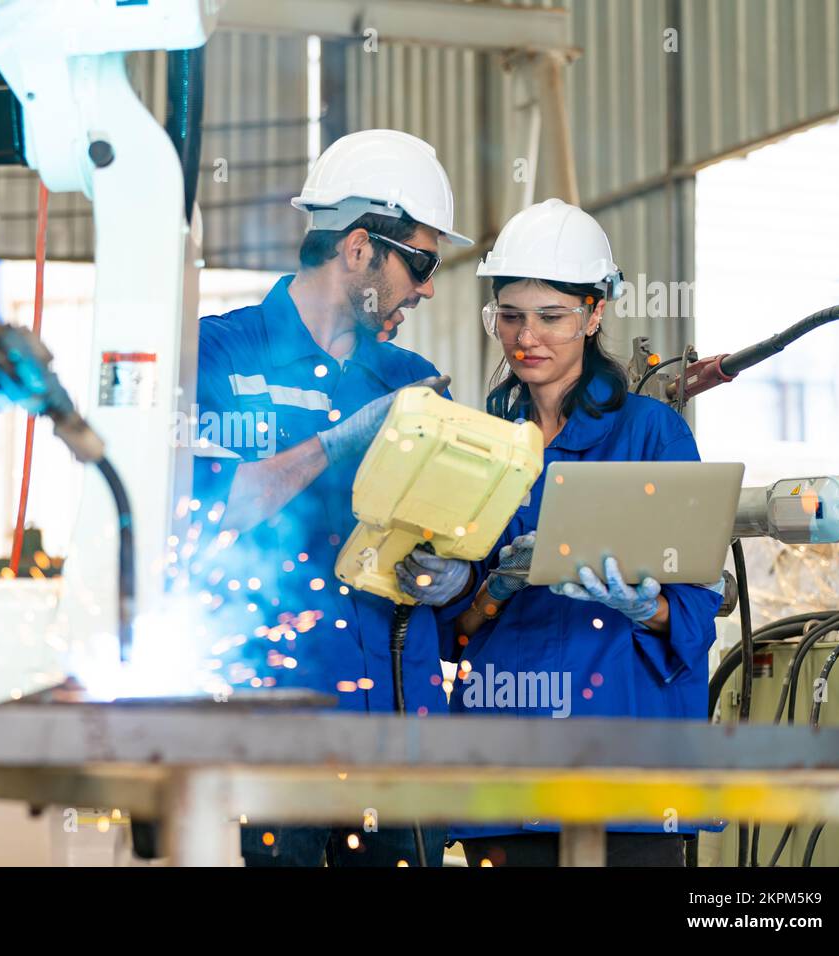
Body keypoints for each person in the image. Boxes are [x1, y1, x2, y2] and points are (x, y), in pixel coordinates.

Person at [396, 198, 723, 867]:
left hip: (627, 769)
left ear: (595, 313)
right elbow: (456, 632)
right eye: (509, 316)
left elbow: (694, 609)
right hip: (506, 763)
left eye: (552, 318)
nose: (527, 337)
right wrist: (468, 591)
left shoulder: (649, 435)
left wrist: (642, 604)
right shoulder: (473, 445)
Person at [192, 129, 474, 866]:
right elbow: (217, 511)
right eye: (419, 262)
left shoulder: (415, 380)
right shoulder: (222, 356)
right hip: (280, 723)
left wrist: (456, 575)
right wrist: (338, 442)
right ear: (358, 250)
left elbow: (453, 533)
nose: (427, 286)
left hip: (401, 724)